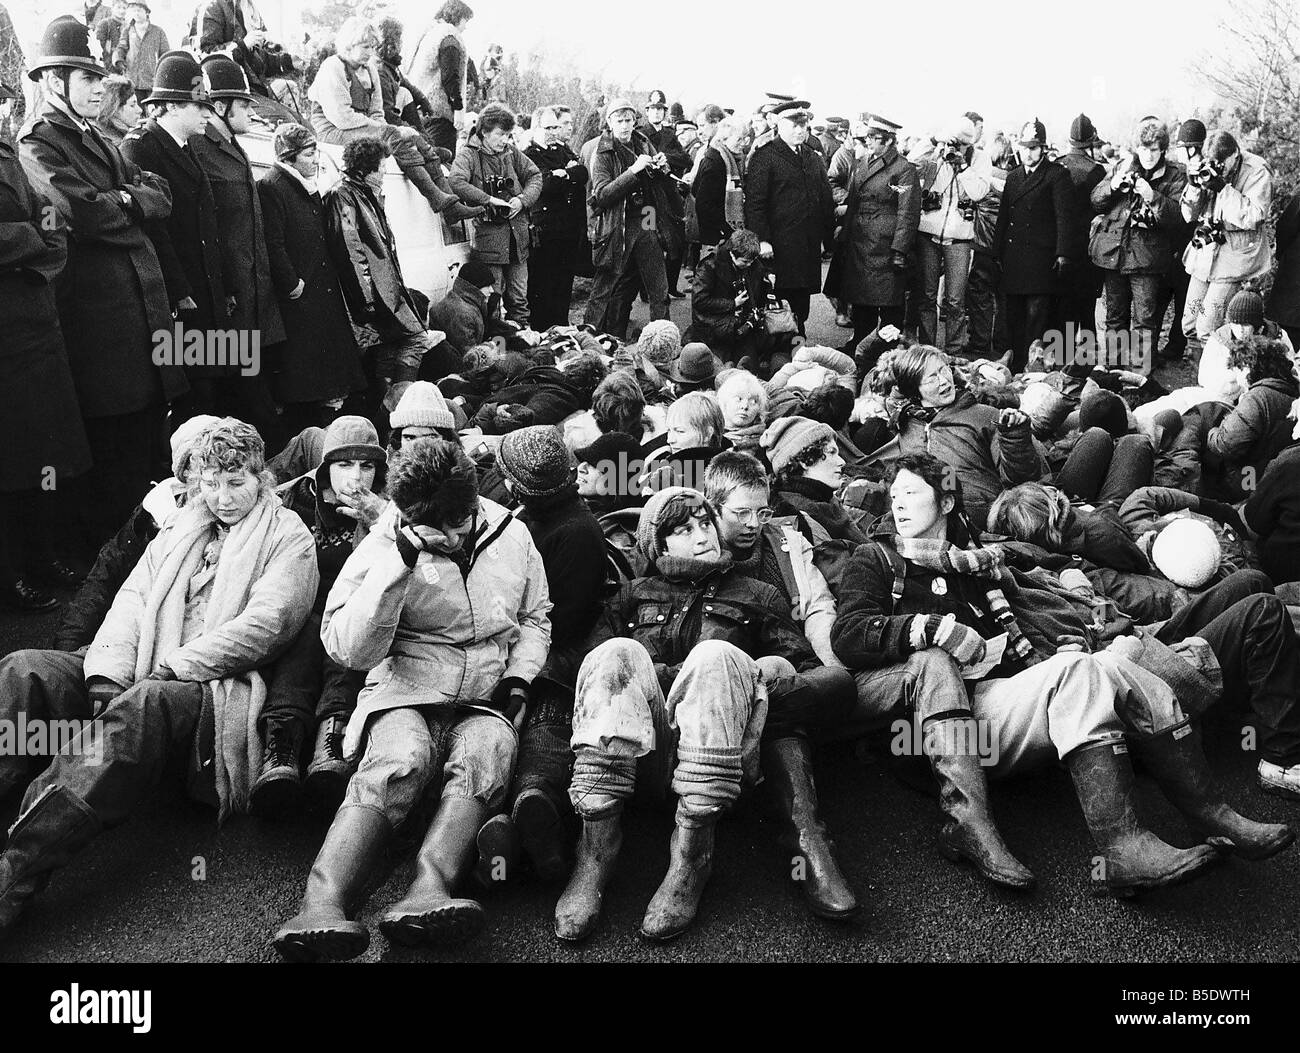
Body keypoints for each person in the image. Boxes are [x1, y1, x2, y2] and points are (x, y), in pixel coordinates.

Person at [831, 453, 1285, 896]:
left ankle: (1212, 817)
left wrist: (1052, 651)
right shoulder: (877, 558)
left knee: (1107, 664)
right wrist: (933, 630)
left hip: (1001, 700)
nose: (899, 504)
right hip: (946, 728)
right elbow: (848, 635)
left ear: (946, 502)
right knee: (1081, 671)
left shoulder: (978, 565)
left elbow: (1018, 642)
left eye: (911, 492)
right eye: (894, 496)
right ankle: (1123, 848)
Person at [0, 419, 320, 938]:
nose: (222, 497)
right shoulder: (182, 524)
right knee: (24, 669)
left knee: (145, 704)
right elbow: (132, 599)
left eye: (236, 483)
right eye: (210, 483)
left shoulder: (289, 536)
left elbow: (266, 626)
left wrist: (173, 667)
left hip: (210, 689)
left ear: (261, 478)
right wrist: (106, 675)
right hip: (142, 664)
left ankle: (18, 869)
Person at [273, 436, 551, 960]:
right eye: (433, 528)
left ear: (473, 503)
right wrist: (398, 564)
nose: (448, 537)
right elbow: (346, 646)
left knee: (484, 754)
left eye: (458, 523)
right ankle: (321, 904)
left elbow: (537, 615)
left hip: (486, 692)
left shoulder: (512, 534)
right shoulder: (384, 543)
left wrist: (519, 678)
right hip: (405, 685)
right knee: (399, 759)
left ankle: (429, 890)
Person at [554, 486, 857, 941]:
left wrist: (756, 683)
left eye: (704, 524)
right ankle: (595, 852)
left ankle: (692, 858)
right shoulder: (631, 597)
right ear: (657, 546)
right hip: (638, 759)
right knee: (616, 651)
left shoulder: (758, 594)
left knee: (717, 655)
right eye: (681, 530)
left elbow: (820, 679)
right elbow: (592, 671)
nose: (700, 537)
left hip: (721, 763)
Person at [20, 15, 187, 552]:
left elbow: (157, 193)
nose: (99, 87)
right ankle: (118, 554)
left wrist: (126, 199)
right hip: (101, 322)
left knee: (144, 436)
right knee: (115, 442)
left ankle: (146, 543)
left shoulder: (95, 136)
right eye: (86, 77)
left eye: (99, 78)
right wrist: (128, 200)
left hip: (137, 309)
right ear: (53, 82)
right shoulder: (40, 144)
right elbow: (84, 214)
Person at [472, 426, 606, 881]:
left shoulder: (572, 533)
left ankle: (520, 822)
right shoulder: (547, 518)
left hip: (557, 648)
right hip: (531, 641)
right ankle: (518, 827)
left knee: (539, 717)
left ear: (513, 485)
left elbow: (560, 619)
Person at [252, 416, 387, 815]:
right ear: (325, 466)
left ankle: (332, 739)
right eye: (345, 465)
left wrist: (378, 517)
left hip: (355, 612)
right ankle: (282, 745)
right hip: (305, 607)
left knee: (344, 656)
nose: (357, 477)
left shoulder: (388, 503)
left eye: (367, 466)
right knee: (303, 647)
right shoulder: (294, 498)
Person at [0, 115, 93, 612]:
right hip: (6, 340)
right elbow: (34, 227)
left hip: (36, 321)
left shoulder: (7, 152)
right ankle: (11, 573)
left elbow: (53, 221)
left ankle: (43, 554)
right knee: (11, 464)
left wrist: (32, 251)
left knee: (46, 458)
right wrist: (31, 237)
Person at [120, 51, 232, 426]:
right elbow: (155, 228)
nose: (207, 114)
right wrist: (178, 290)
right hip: (179, 297)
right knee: (192, 397)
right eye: (198, 105)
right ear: (168, 106)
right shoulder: (141, 147)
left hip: (205, 292)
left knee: (213, 387)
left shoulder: (188, 147)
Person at [188, 53, 285, 446]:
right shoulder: (198, 146)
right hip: (228, 299)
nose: (250, 111)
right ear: (220, 106)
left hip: (252, 293)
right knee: (244, 395)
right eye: (243, 104)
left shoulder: (232, 146)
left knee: (253, 390)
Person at [307, 18, 476, 221]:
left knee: (413, 136)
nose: (370, 52)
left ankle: (451, 202)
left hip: (360, 125)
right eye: (365, 46)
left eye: (372, 47)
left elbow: (377, 112)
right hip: (332, 129)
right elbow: (342, 117)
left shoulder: (369, 70)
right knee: (394, 134)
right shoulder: (333, 68)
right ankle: (436, 197)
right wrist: (384, 130)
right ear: (350, 43)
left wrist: (388, 129)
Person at [257, 122, 366, 432]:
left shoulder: (305, 185)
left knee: (330, 382)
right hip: (301, 301)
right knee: (308, 384)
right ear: (289, 157)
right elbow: (273, 242)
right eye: (309, 153)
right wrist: (292, 284)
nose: (316, 159)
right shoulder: (272, 187)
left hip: (320, 295)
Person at [866, 345, 1045, 529]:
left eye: (945, 370)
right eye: (932, 378)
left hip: (977, 516)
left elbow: (1022, 479)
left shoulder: (986, 416)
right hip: (921, 517)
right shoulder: (906, 419)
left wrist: (1014, 436)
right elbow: (894, 392)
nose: (944, 381)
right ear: (914, 389)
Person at [324, 137, 432, 419]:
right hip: (375, 294)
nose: (384, 171)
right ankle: (396, 405)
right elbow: (350, 249)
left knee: (390, 348)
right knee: (413, 339)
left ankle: (391, 405)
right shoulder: (344, 197)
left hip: (382, 292)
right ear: (367, 168)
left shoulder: (360, 194)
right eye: (381, 166)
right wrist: (368, 300)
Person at [1088, 118, 1188, 375]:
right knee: (1115, 316)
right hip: (1115, 255)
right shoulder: (1123, 165)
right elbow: (1096, 201)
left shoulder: (1175, 175)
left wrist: (1152, 196)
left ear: (1162, 150)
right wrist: (1113, 186)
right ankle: (1112, 370)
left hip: (1147, 258)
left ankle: (1141, 376)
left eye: (1154, 149)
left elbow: (1180, 218)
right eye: (1144, 149)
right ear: (1137, 148)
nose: (1148, 155)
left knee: (1145, 320)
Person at [584, 98, 679, 339]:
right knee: (604, 287)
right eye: (619, 120)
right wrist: (633, 171)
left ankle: (662, 340)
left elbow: (660, 181)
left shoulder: (644, 142)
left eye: (629, 120)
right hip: (618, 224)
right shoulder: (603, 151)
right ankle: (589, 339)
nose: (625, 126)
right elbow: (602, 195)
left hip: (646, 218)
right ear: (609, 122)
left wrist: (663, 168)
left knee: (659, 287)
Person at [825, 115, 920, 353]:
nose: (867, 141)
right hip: (859, 242)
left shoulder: (903, 169)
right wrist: (843, 233)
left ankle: (887, 347)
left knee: (889, 301)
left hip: (884, 246)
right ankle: (860, 341)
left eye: (873, 137)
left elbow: (907, 212)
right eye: (867, 136)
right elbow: (854, 201)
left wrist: (900, 249)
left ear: (888, 141)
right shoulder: (864, 162)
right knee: (860, 297)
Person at [744, 99, 834, 336]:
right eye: (794, 125)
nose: (800, 129)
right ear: (779, 125)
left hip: (806, 245)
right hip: (778, 245)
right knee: (778, 300)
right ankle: (781, 346)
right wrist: (761, 240)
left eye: (803, 125)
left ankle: (798, 337)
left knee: (801, 300)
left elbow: (824, 199)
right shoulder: (765, 156)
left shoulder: (812, 157)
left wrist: (827, 237)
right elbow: (755, 204)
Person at [1180, 130, 1272, 356]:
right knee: (1191, 323)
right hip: (1205, 256)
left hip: (1234, 259)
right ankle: (1202, 373)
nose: (1218, 167)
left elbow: (1254, 216)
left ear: (1235, 154)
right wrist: (1194, 186)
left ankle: (1219, 380)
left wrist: (1222, 188)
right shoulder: (1206, 164)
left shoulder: (1257, 170)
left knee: (1207, 326)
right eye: (1214, 163)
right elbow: (1188, 215)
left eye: (1223, 163)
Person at [449, 105, 543, 326]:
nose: (505, 140)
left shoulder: (512, 153)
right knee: (493, 301)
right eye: (501, 134)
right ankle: (498, 352)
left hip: (517, 241)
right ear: (484, 131)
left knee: (520, 299)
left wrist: (522, 200)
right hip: (489, 243)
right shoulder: (468, 155)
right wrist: (488, 199)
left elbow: (535, 176)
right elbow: (455, 181)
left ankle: (522, 344)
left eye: (508, 135)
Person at [994, 119, 1076, 372]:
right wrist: (996, 251)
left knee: (1037, 317)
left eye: (1034, 148)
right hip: (1015, 257)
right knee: (1014, 314)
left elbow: (1064, 217)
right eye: (1024, 147)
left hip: (1042, 258)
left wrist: (1063, 253)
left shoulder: (1056, 175)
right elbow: (1004, 217)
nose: (1028, 153)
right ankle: (1017, 363)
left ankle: (1036, 367)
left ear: (1043, 149)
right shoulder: (1014, 177)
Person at [909, 116, 990, 353]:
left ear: (969, 144)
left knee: (955, 300)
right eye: (953, 142)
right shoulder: (937, 152)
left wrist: (963, 166)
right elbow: (911, 162)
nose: (955, 148)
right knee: (926, 296)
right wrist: (935, 141)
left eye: (961, 144)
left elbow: (978, 193)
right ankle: (926, 349)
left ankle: (954, 350)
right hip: (928, 233)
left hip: (960, 238)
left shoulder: (980, 158)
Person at [523, 105, 588, 327]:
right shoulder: (530, 155)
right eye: (548, 127)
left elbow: (583, 173)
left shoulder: (562, 150)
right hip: (544, 233)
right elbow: (546, 184)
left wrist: (565, 173)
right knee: (542, 289)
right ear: (536, 128)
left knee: (563, 288)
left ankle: (561, 331)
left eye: (555, 127)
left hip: (567, 231)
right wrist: (565, 174)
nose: (553, 132)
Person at [762, 416, 868, 544]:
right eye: (831, 452)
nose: (842, 462)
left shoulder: (829, 505)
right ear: (805, 460)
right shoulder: (796, 517)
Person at [1056, 114, 1107, 351]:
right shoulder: (1096, 171)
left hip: (1058, 247)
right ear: (1090, 142)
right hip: (1086, 248)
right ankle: (1086, 358)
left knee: (1063, 305)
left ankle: (1063, 355)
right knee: (1086, 306)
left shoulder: (1057, 165)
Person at [687, 228, 774, 366]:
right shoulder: (710, 266)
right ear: (732, 254)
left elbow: (759, 268)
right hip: (715, 327)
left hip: (740, 325)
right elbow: (699, 300)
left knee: (749, 364)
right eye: (745, 262)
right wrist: (733, 303)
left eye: (751, 261)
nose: (749, 265)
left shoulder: (749, 260)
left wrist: (767, 275)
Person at [638, 89, 691, 296]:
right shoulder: (639, 134)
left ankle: (670, 285)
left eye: (661, 109)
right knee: (648, 238)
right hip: (648, 197)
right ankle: (645, 288)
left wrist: (665, 157)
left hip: (669, 196)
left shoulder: (670, 134)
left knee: (677, 237)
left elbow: (686, 159)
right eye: (653, 109)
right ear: (647, 111)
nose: (657, 113)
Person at [404, 0, 474, 154]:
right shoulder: (450, 38)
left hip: (421, 109)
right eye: (465, 21)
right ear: (457, 17)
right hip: (439, 113)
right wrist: (458, 108)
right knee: (442, 162)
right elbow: (450, 76)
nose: (465, 27)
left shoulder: (429, 35)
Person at [964, 134, 1013, 359]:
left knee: (979, 294)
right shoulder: (1016, 179)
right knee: (1003, 297)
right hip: (1007, 248)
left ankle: (979, 342)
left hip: (983, 244)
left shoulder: (985, 178)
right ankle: (1002, 343)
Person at [692, 114, 751, 250]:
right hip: (716, 235)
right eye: (739, 139)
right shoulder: (715, 162)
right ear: (724, 139)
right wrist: (724, 229)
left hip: (723, 232)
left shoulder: (731, 159)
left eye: (745, 139)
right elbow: (703, 203)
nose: (742, 144)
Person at [112, 0, 167, 104]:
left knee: (152, 108)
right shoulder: (127, 30)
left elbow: (165, 53)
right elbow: (121, 47)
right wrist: (118, 59)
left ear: (146, 12)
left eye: (139, 10)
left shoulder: (158, 31)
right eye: (133, 11)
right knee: (134, 107)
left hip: (151, 78)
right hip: (133, 78)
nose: (136, 13)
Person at [95, 73, 143, 146]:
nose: (140, 110)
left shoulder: (100, 132)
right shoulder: (118, 144)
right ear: (114, 109)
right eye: (132, 105)